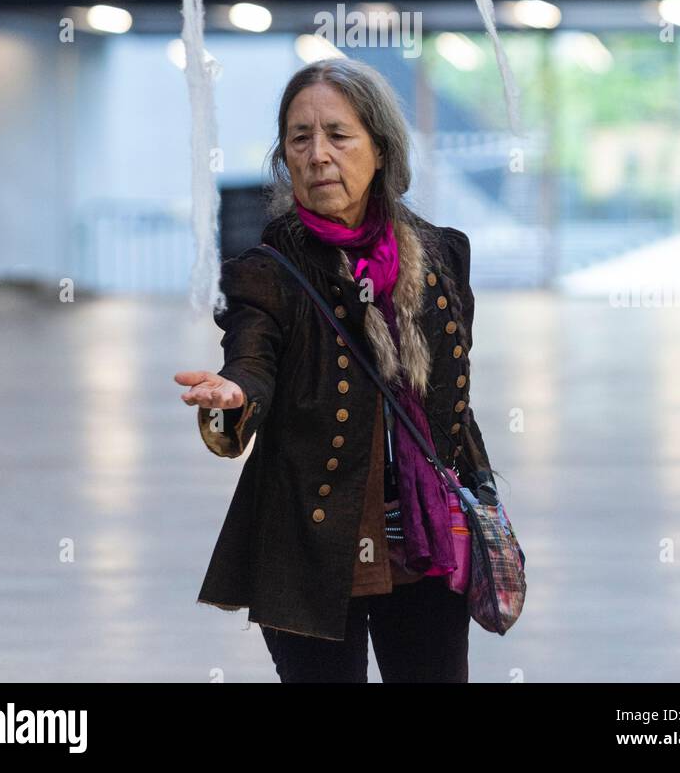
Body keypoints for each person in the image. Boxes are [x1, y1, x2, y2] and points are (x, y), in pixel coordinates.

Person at [175, 56, 496, 683]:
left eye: (338, 135)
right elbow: (251, 358)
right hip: (311, 536)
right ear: (285, 157)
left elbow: (447, 399)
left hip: (426, 535)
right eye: (300, 137)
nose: (318, 154)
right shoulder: (268, 270)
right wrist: (232, 395)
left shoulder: (441, 255)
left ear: (380, 148)